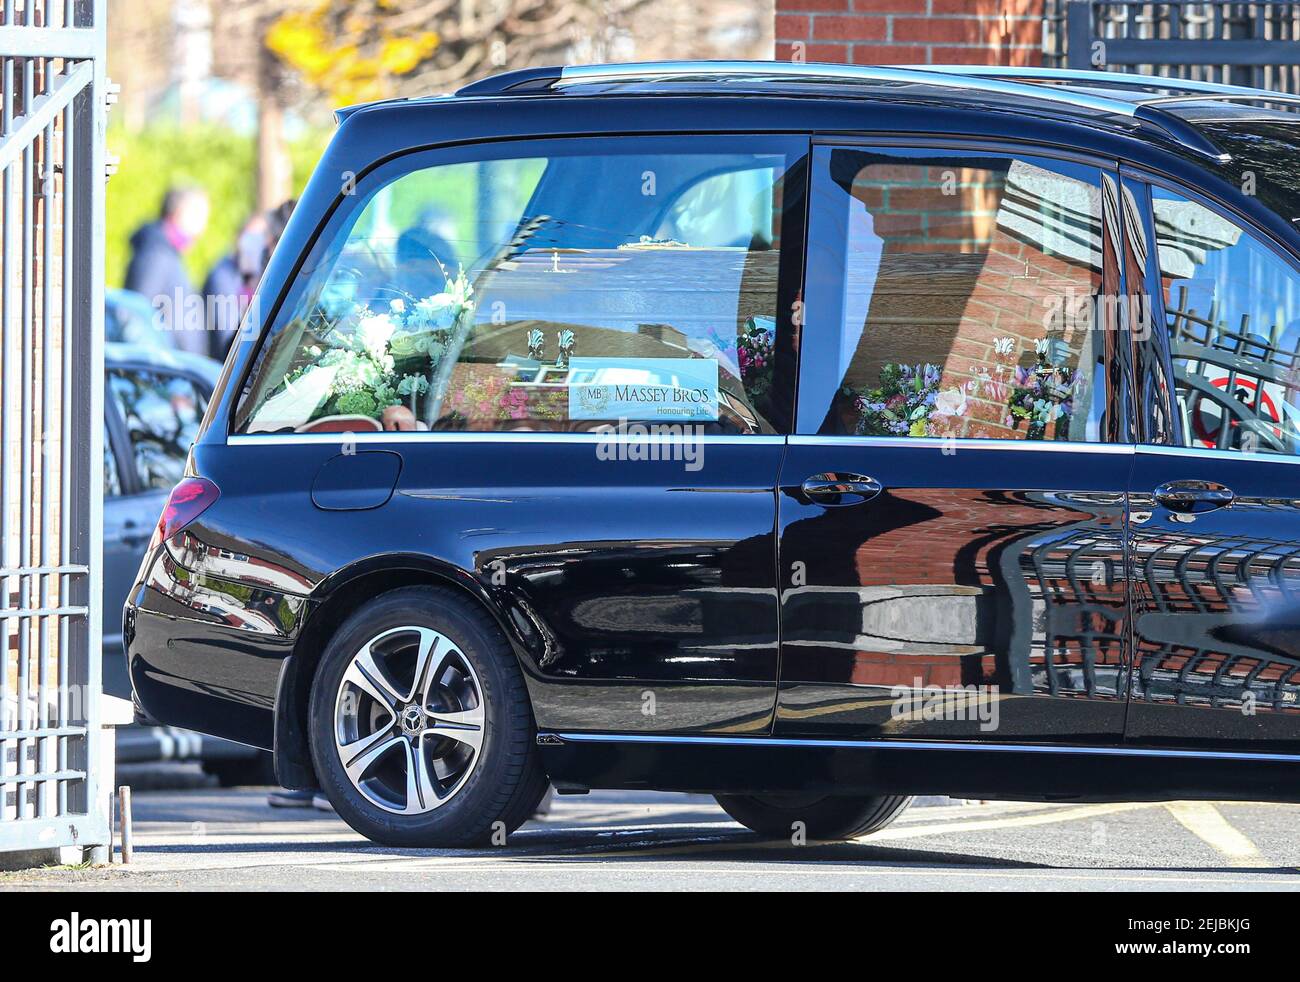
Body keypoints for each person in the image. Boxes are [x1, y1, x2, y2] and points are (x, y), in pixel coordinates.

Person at [204, 199, 296, 361]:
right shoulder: (224, 277)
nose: (261, 248)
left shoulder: (284, 289)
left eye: (265, 238)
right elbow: (231, 350)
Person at [124, 187, 210, 355]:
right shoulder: (156, 253)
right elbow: (136, 313)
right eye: (199, 216)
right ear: (179, 212)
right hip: (165, 370)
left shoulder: (166, 252)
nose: (202, 229)